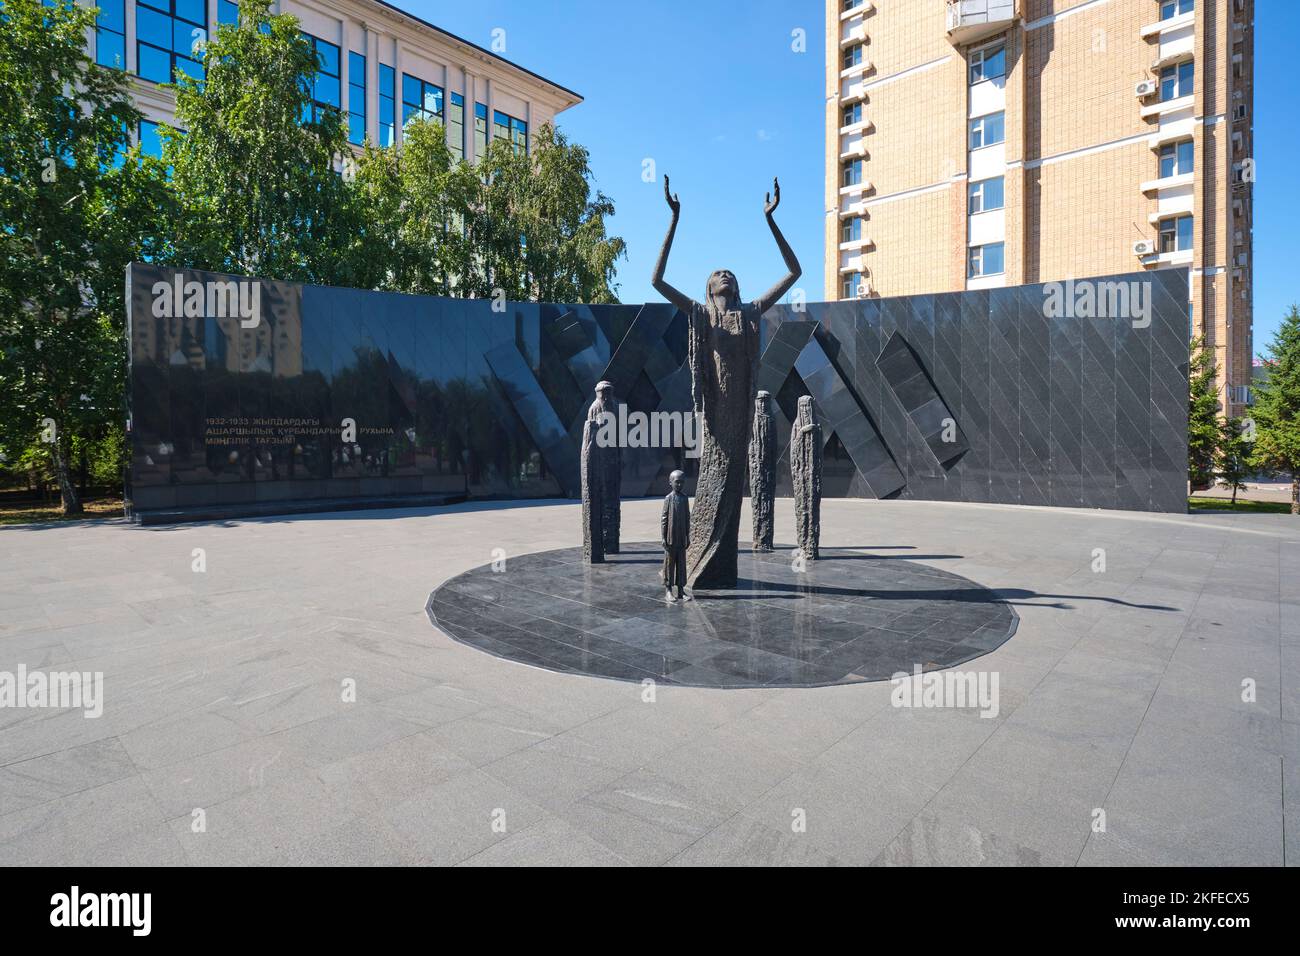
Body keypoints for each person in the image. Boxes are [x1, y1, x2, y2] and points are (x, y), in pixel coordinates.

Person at [661, 469, 691, 601]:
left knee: (681, 564)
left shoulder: (685, 499)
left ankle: (680, 590)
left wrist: (687, 536)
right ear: (670, 482)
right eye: (677, 482)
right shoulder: (668, 498)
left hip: (681, 538)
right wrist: (663, 537)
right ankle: (668, 589)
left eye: (682, 482)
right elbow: (664, 519)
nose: (679, 485)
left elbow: (687, 518)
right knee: (669, 564)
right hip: (670, 538)